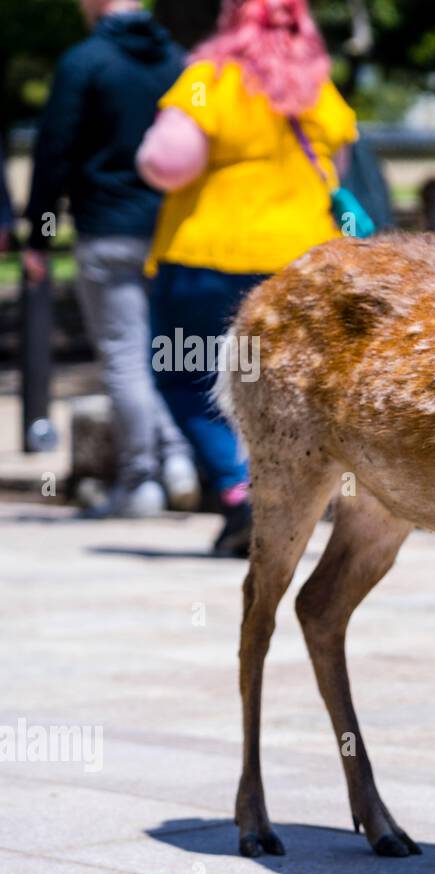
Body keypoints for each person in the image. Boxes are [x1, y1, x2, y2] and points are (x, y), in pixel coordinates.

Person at [136, 0, 359, 556]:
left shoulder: (209, 78)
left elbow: (167, 160)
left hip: (209, 254)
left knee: (184, 373)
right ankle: (286, 491)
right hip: (304, 262)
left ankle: (239, 489)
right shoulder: (317, 84)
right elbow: (342, 160)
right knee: (287, 383)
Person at [24, 0, 198, 518]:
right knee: (166, 355)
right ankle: (180, 462)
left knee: (125, 357)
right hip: (171, 233)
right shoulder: (181, 64)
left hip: (107, 231)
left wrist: (39, 234)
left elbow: (54, 149)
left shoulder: (84, 62)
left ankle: (142, 479)